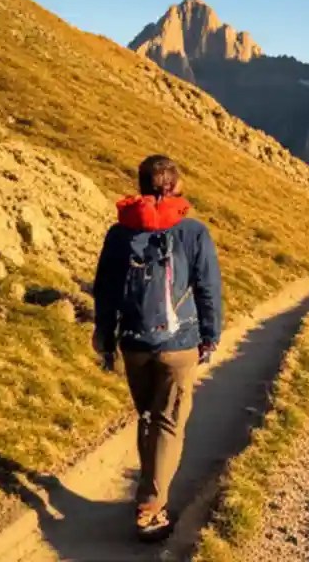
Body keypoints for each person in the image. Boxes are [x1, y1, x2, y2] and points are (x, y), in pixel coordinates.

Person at [91, 154, 223, 541]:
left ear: (143, 186)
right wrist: (211, 335)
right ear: (174, 186)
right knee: (169, 423)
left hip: (134, 343)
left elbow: (105, 291)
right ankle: (151, 509)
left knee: (148, 417)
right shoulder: (193, 232)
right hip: (179, 343)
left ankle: (149, 489)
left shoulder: (120, 235)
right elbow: (208, 288)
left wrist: (105, 335)